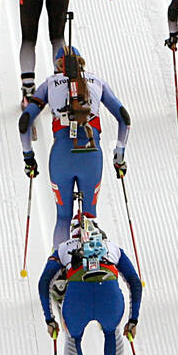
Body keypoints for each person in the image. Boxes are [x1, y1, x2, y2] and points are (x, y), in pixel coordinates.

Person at [18, 44, 130, 245]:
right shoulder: (98, 82)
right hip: (91, 155)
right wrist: (119, 153)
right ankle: (88, 260)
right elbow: (124, 118)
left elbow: (25, 122)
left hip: (62, 156)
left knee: (63, 217)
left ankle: (59, 267)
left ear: (58, 65)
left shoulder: (50, 84)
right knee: (89, 216)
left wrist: (29, 157)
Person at [37, 213, 141, 355]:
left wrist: (49, 319)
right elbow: (134, 282)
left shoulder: (64, 247)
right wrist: (133, 319)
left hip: (77, 300)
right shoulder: (113, 247)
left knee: (72, 337)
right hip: (109, 299)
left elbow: (44, 282)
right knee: (113, 333)